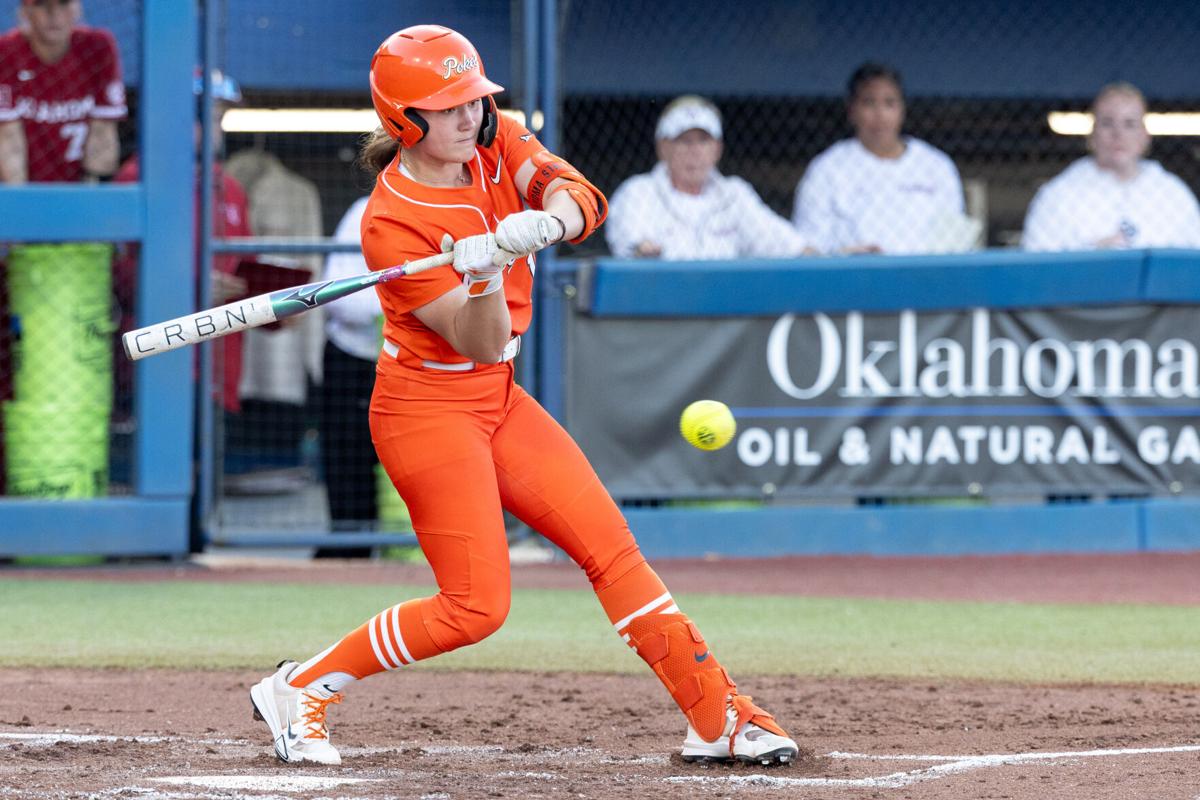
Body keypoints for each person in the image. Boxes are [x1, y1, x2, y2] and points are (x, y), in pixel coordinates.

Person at [248, 24, 799, 768]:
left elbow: (585, 199)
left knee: (610, 547)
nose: (468, 115)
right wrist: (481, 278)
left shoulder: (497, 137)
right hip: (425, 411)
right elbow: (478, 339)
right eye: (447, 106)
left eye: (472, 98)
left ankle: (717, 717)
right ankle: (300, 687)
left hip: (497, 398)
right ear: (404, 119)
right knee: (476, 607)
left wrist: (544, 222)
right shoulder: (390, 225)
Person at [112, 70, 250, 418]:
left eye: (219, 119)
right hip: (157, 365)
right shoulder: (136, 180)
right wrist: (190, 287)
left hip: (220, 369)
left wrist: (276, 303)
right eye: (207, 118)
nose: (216, 130)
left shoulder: (230, 189)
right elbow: (115, 277)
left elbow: (245, 271)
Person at [792, 62, 973, 255]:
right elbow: (809, 245)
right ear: (852, 111)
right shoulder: (826, 169)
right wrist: (843, 255)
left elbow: (953, 243)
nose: (880, 115)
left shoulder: (936, 166)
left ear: (902, 110)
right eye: (869, 103)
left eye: (889, 103)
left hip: (925, 272)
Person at [606, 95, 811, 260]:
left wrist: (814, 256)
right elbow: (631, 244)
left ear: (717, 149)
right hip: (660, 294)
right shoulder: (639, 192)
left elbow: (788, 246)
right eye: (684, 141)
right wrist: (643, 250)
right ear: (663, 147)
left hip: (724, 295)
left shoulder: (735, 194)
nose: (695, 151)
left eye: (703, 141)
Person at [1022, 82, 1200, 251]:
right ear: (1092, 135)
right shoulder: (1058, 195)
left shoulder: (1173, 194)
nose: (1118, 134)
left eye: (1129, 124)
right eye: (1107, 123)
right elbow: (1035, 261)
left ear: (1145, 137)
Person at [314, 196, 380, 558]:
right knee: (347, 463)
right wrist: (406, 307)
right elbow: (337, 295)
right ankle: (348, 551)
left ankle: (408, 550)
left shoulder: (457, 207)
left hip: (421, 363)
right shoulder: (363, 211)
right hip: (353, 357)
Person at [0, 0, 125, 184]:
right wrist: (23, 200)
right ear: (24, 12)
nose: (54, 14)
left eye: (63, 3)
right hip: (23, 186)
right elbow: (9, 141)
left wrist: (90, 195)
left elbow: (102, 134)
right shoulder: (7, 51)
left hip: (80, 184)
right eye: (41, 4)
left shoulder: (97, 46)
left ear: (77, 9)